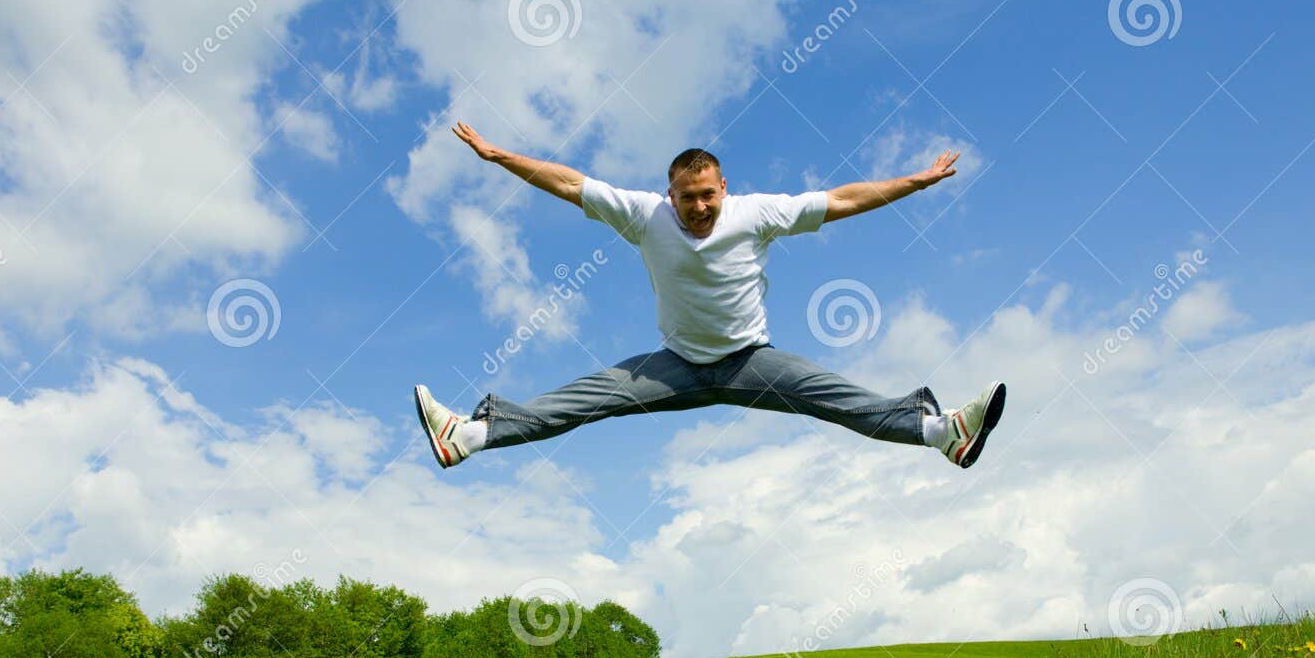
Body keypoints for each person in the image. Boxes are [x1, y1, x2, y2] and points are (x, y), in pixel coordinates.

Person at [414, 120, 1005, 470]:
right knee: (584, 398)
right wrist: (499, 157)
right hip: (675, 367)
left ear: (725, 187)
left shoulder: (757, 213)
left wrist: (914, 181)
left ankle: (940, 432)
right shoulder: (643, 215)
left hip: (751, 360)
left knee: (836, 397)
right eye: (686, 197)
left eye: (707, 195)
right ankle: (469, 435)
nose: (698, 207)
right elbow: (567, 182)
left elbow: (844, 200)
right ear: (668, 194)